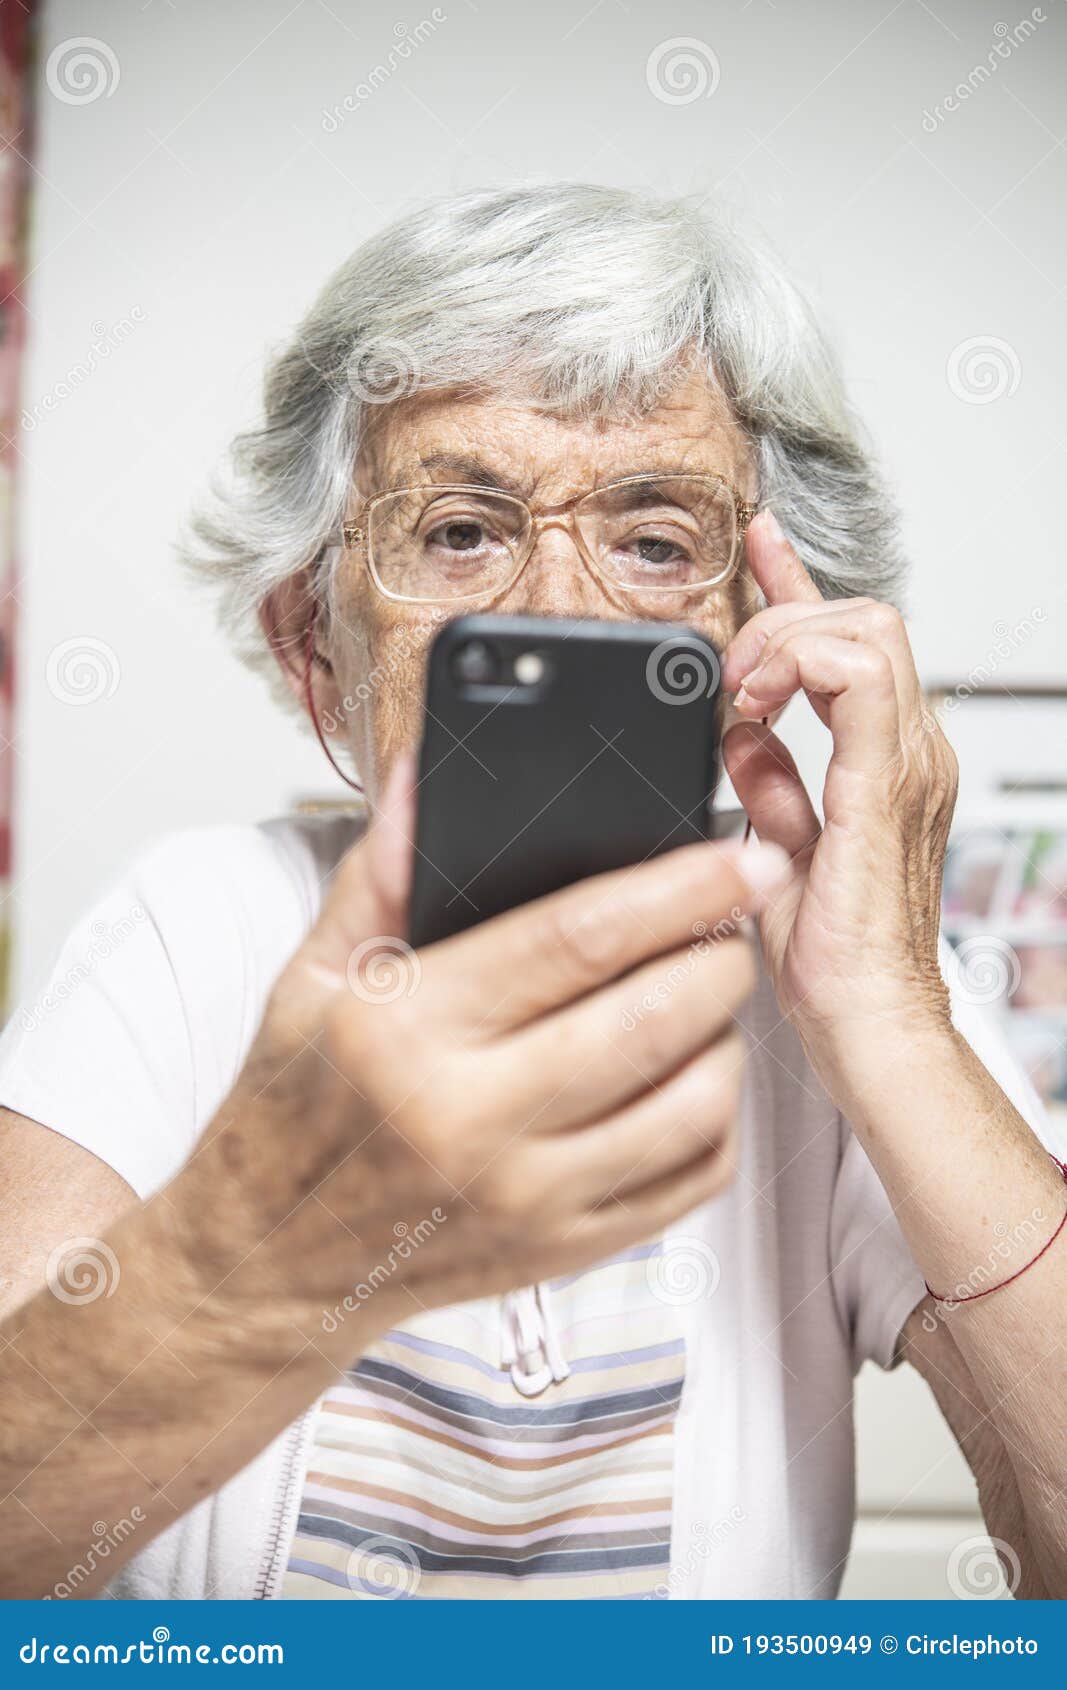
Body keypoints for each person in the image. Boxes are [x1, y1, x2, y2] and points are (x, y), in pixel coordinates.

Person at [1, 184, 1064, 1601]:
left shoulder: (845, 983)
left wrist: (884, 1011)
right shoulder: (193, 927)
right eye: (459, 530)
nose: (556, 604)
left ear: (766, 632)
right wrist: (271, 1255)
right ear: (314, 642)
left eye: (655, 538)